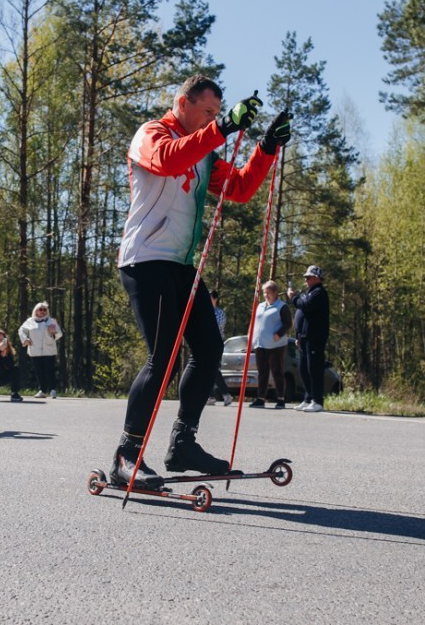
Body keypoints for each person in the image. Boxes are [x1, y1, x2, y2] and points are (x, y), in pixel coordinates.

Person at [110, 75, 290, 489]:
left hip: (182, 265)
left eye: (216, 112)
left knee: (208, 348)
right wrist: (221, 128)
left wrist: (266, 147)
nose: (213, 118)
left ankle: (182, 444)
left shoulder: (205, 149)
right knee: (164, 357)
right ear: (182, 103)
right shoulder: (151, 134)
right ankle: (126, 454)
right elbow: (168, 160)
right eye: (207, 111)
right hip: (145, 260)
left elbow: (240, 188)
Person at [289, 265, 329, 413]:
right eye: (305, 277)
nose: (306, 280)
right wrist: (298, 336)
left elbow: (305, 306)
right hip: (304, 337)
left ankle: (317, 400)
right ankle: (308, 398)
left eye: (309, 277)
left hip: (315, 337)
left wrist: (293, 298)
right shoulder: (308, 293)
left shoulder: (319, 293)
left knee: (314, 369)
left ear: (317, 278)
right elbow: (302, 314)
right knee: (303, 368)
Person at [250, 281, 293, 409]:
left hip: (276, 345)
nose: (265, 295)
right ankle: (260, 398)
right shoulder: (260, 306)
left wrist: (279, 334)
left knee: (277, 372)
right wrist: (251, 337)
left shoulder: (281, 306)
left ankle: (280, 399)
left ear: (275, 293)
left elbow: (288, 323)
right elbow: (255, 323)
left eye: (268, 292)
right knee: (262, 372)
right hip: (260, 344)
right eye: (264, 292)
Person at [19, 301, 62, 399]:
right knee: (39, 371)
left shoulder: (51, 321)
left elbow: (59, 334)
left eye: (44, 310)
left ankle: (52, 390)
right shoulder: (30, 321)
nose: (42, 312)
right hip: (35, 350)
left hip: (49, 350)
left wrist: (52, 332)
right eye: (40, 309)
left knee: (49, 371)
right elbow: (21, 330)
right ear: (36, 311)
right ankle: (42, 390)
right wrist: (25, 339)